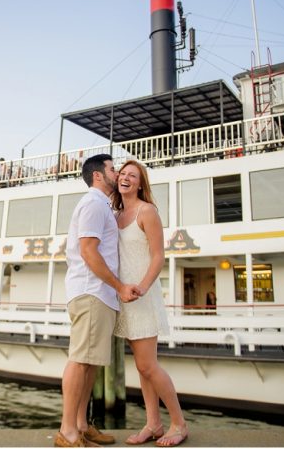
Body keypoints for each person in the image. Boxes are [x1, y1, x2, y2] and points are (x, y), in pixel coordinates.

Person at [56, 154, 142, 448]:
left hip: (99, 294)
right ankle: (67, 431)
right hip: (92, 291)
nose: (117, 173)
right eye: (112, 169)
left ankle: (81, 425)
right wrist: (119, 286)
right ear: (97, 175)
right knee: (80, 360)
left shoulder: (102, 205)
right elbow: (88, 252)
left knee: (90, 363)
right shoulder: (93, 203)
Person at [112, 160, 189, 447]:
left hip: (142, 297)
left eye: (133, 175)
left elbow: (158, 256)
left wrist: (143, 286)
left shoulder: (147, 211)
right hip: (125, 298)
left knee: (148, 366)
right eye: (122, 174)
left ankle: (179, 424)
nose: (126, 178)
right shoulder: (116, 215)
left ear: (140, 184)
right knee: (142, 367)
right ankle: (153, 424)